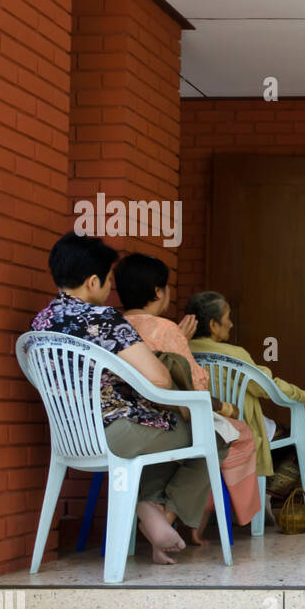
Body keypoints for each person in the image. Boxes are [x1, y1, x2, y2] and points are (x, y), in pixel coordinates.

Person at [30, 233, 221, 565]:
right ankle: (156, 512)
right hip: (116, 431)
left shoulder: (41, 323)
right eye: (107, 282)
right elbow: (159, 379)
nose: (109, 292)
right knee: (213, 439)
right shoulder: (103, 319)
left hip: (70, 435)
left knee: (161, 437)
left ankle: (150, 509)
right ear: (92, 281)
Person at [114, 253, 261, 536]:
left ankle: (152, 510)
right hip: (161, 422)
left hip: (121, 426)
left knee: (174, 450)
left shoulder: (114, 327)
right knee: (216, 439)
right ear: (158, 291)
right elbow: (196, 388)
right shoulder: (166, 329)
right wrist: (179, 341)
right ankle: (166, 518)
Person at [186, 292, 305, 478]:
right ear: (213, 325)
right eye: (228, 318)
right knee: (297, 443)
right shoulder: (234, 354)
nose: (232, 324)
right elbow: (268, 387)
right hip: (239, 428)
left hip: (197, 429)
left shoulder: (181, 349)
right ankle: (266, 495)